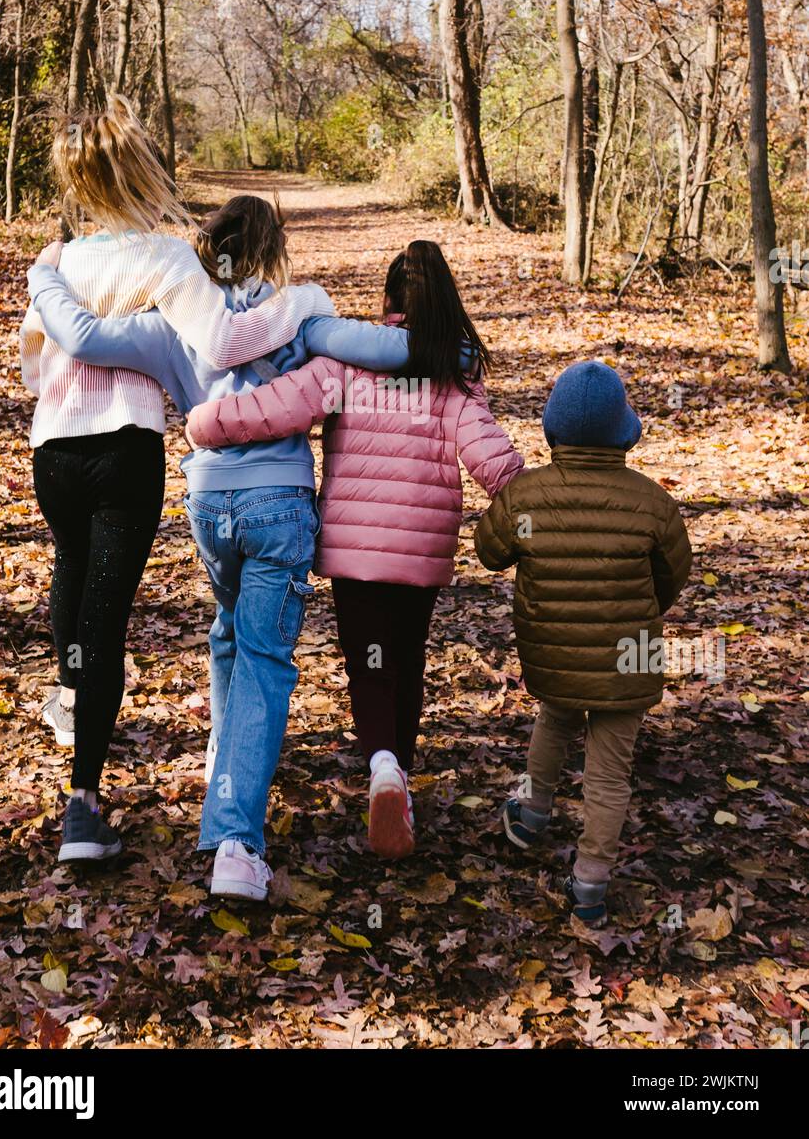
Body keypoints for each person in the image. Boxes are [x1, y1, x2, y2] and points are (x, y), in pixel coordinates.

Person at [27, 191, 410, 895]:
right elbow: (380, 348)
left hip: (211, 510)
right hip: (279, 506)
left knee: (232, 633)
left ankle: (223, 761)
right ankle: (235, 844)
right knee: (264, 657)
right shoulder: (296, 314)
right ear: (272, 249)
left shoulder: (171, 326)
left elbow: (80, 335)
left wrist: (43, 276)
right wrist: (445, 342)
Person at [20, 95, 338, 866]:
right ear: (138, 170)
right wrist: (298, 308)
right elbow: (223, 342)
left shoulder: (57, 262)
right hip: (124, 447)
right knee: (105, 621)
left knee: (70, 587)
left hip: (52, 447)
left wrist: (55, 298)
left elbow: (33, 364)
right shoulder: (164, 259)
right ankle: (83, 806)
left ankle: (70, 697)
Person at [185, 240, 525, 860]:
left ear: (388, 302)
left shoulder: (344, 364)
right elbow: (486, 453)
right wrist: (533, 495)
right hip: (421, 550)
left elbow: (276, 410)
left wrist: (203, 423)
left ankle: (384, 768)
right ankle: (401, 780)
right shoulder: (453, 374)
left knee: (370, 663)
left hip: (353, 547)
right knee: (408, 659)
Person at [474, 361, 692, 927]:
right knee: (609, 771)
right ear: (624, 430)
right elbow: (672, 573)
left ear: (553, 430)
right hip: (629, 655)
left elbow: (490, 551)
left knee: (556, 718)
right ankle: (591, 879)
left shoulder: (527, 499)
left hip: (555, 651)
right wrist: (643, 613)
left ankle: (533, 812)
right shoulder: (652, 503)